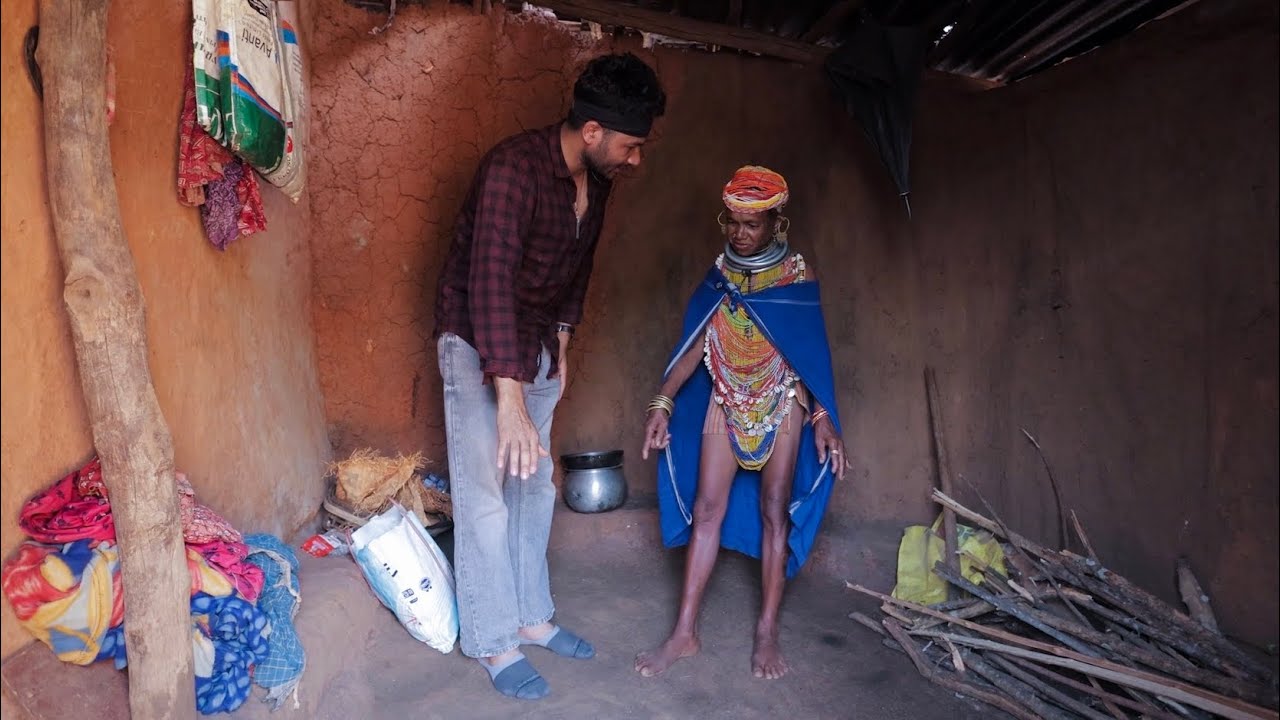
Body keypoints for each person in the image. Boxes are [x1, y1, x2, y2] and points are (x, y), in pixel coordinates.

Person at [433, 53, 666, 700]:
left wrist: (561, 344)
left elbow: (577, 273)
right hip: (475, 336)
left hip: (533, 340)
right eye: (630, 145)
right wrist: (507, 396)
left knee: (533, 486)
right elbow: (488, 284)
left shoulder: (600, 184)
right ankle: (491, 639)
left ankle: (531, 617)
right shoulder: (512, 170)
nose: (635, 159)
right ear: (591, 132)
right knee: (484, 491)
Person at [635, 166, 849, 681]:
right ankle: (684, 631)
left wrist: (821, 415)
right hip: (725, 400)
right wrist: (662, 402)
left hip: (781, 400)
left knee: (775, 510)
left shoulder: (797, 275)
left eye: (751, 225)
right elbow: (694, 348)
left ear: (777, 223)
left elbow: (809, 354)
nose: (738, 234)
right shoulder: (719, 275)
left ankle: (767, 630)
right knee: (707, 509)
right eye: (731, 222)